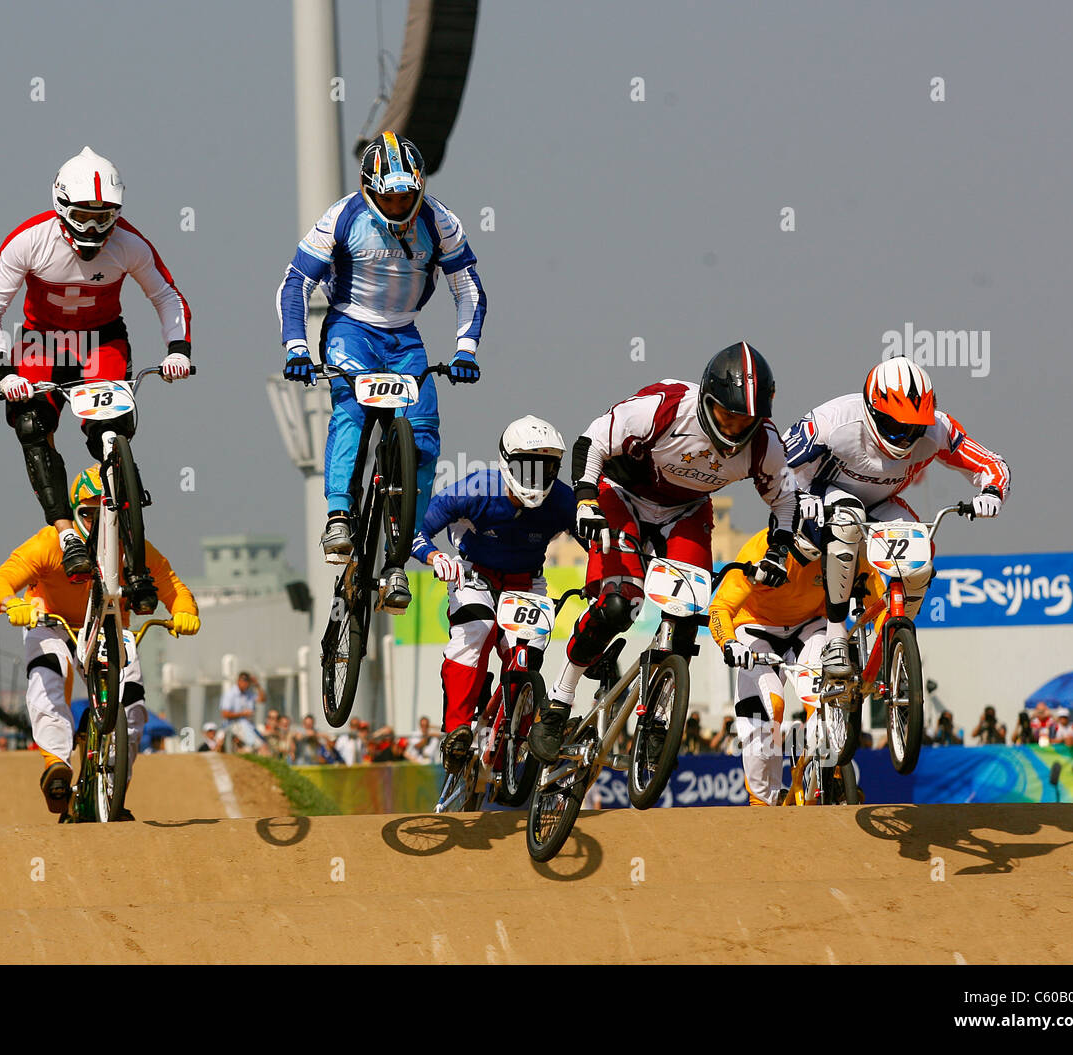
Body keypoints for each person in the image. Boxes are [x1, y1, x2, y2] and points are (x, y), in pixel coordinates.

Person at [528, 342, 803, 764]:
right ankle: (560, 701)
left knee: (689, 610)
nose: (733, 429)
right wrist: (585, 500)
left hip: (687, 509)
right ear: (707, 400)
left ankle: (658, 718)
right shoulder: (666, 408)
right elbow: (593, 441)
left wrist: (778, 551)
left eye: (744, 420)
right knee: (619, 605)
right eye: (727, 415)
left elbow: (785, 501)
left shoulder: (764, 443)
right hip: (623, 493)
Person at [0, 147, 193, 606]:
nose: (94, 229)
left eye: (105, 216)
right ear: (60, 205)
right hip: (42, 343)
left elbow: (169, 298)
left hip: (101, 341)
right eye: (84, 216)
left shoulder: (131, 244)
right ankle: (67, 532)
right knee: (31, 423)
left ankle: (124, 531)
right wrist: (4, 373)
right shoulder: (27, 241)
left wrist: (178, 351)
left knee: (110, 431)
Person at [279, 132, 487, 614]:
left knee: (426, 432)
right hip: (350, 327)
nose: (397, 207)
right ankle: (338, 514)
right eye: (388, 197)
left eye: (405, 197)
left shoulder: (440, 221)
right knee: (353, 410)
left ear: (419, 189)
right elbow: (295, 283)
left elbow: (468, 288)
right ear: (368, 190)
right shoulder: (342, 216)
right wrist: (296, 346)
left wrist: (465, 349)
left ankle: (402, 547)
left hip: (405, 337)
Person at [0, 465, 200, 820]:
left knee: (133, 707)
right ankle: (57, 763)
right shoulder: (50, 543)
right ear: (72, 514)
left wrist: (186, 611)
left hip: (109, 629)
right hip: (52, 623)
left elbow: (172, 586)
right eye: (88, 514)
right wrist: (13, 604)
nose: (100, 526)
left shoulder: (135, 549)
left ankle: (114, 789)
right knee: (48, 672)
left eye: (109, 514)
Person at [783, 359, 1010, 680]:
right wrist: (800, 499)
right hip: (821, 501)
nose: (904, 439)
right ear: (872, 411)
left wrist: (992, 493)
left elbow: (990, 462)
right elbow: (776, 461)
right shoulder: (833, 421)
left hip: (881, 505)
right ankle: (835, 636)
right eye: (895, 427)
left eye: (913, 429)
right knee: (848, 516)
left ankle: (894, 635)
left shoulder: (938, 428)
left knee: (919, 553)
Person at [412, 416, 575, 770]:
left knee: (525, 653)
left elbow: (595, 545)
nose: (536, 476)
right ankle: (456, 730)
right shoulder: (473, 490)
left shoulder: (564, 500)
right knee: (477, 631)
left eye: (546, 467)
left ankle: (510, 735)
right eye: (528, 466)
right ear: (506, 463)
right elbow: (416, 529)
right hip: (475, 575)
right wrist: (434, 555)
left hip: (527, 581)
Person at [707, 522, 882, 804]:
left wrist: (893, 645)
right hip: (755, 629)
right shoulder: (760, 548)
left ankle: (829, 771)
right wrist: (729, 643)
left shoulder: (845, 549)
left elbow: (879, 606)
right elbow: (720, 608)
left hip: (810, 626)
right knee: (769, 706)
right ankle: (762, 799)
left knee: (823, 695)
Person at [219, 672, 268, 755]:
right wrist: (243, 714)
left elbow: (263, 699)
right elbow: (224, 714)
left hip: (249, 725)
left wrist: (257, 684)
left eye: (247, 681)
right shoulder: (230, 694)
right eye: (243, 680)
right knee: (258, 746)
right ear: (238, 681)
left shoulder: (249, 694)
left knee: (263, 745)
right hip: (234, 725)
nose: (245, 683)